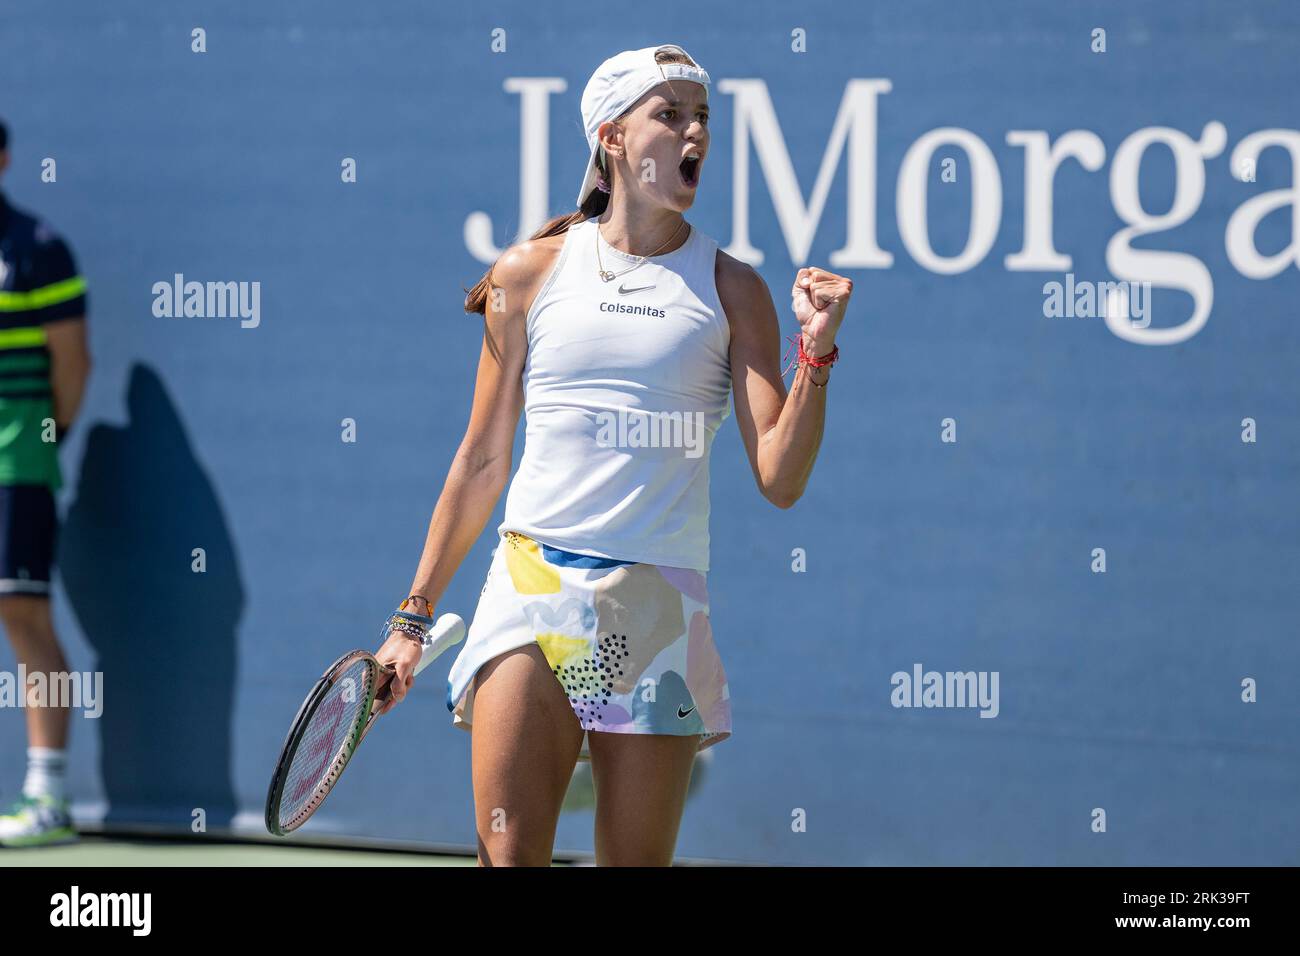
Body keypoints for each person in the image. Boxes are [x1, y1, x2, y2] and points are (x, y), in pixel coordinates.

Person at [375, 43, 852, 866]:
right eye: (669, 114)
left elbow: (780, 476)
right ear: (613, 138)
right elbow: (482, 459)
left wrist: (816, 355)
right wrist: (410, 619)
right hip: (532, 585)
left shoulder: (735, 288)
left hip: (659, 604)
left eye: (702, 117)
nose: (693, 131)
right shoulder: (528, 274)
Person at [0, 118, 93, 847]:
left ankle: (48, 796)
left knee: (21, 614)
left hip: (16, 463)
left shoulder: (37, 249)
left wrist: (39, 439)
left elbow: (72, 366)